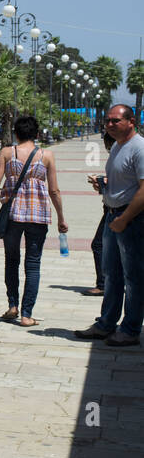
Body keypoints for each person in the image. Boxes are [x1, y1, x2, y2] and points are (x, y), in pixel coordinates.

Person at [0, 115, 68, 326]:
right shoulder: (46, 155)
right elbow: (54, 190)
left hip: (13, 215)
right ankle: (26, 314)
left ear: (16, 134)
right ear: (37, 134)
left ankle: (12, 304)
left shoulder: (7, 152)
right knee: (33, 264)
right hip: (38, 216)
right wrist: (61, 217)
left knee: (11, 260)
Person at [77, 105, 144, 347]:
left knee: (133, 277)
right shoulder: (117, 146)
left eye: (115, 121)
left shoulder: (139, 148)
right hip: (113, 216)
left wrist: (124, 219)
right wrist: (104, 186)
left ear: (131, 121)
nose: (110, 125)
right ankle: (106, 323)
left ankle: (130, 329)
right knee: (112, 274)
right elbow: (125, 183)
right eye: (107, 121)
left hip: (132, 220)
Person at [85, 130, 115, 297]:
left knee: (99, 245)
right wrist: (102, 182)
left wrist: (102, 182)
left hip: (118, 209)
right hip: (114, 206)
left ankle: (103, 284)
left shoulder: (119, 154)